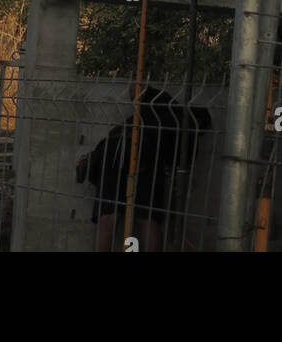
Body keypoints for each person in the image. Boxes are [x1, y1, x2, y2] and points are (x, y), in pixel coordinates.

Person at [76, 86, 211, 252]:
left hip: (111, 147)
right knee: (148, 217)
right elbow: (181, 164)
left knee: (108, 215)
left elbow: (136, 88)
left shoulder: (163, 107)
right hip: (144, 151)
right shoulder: (185, 125)